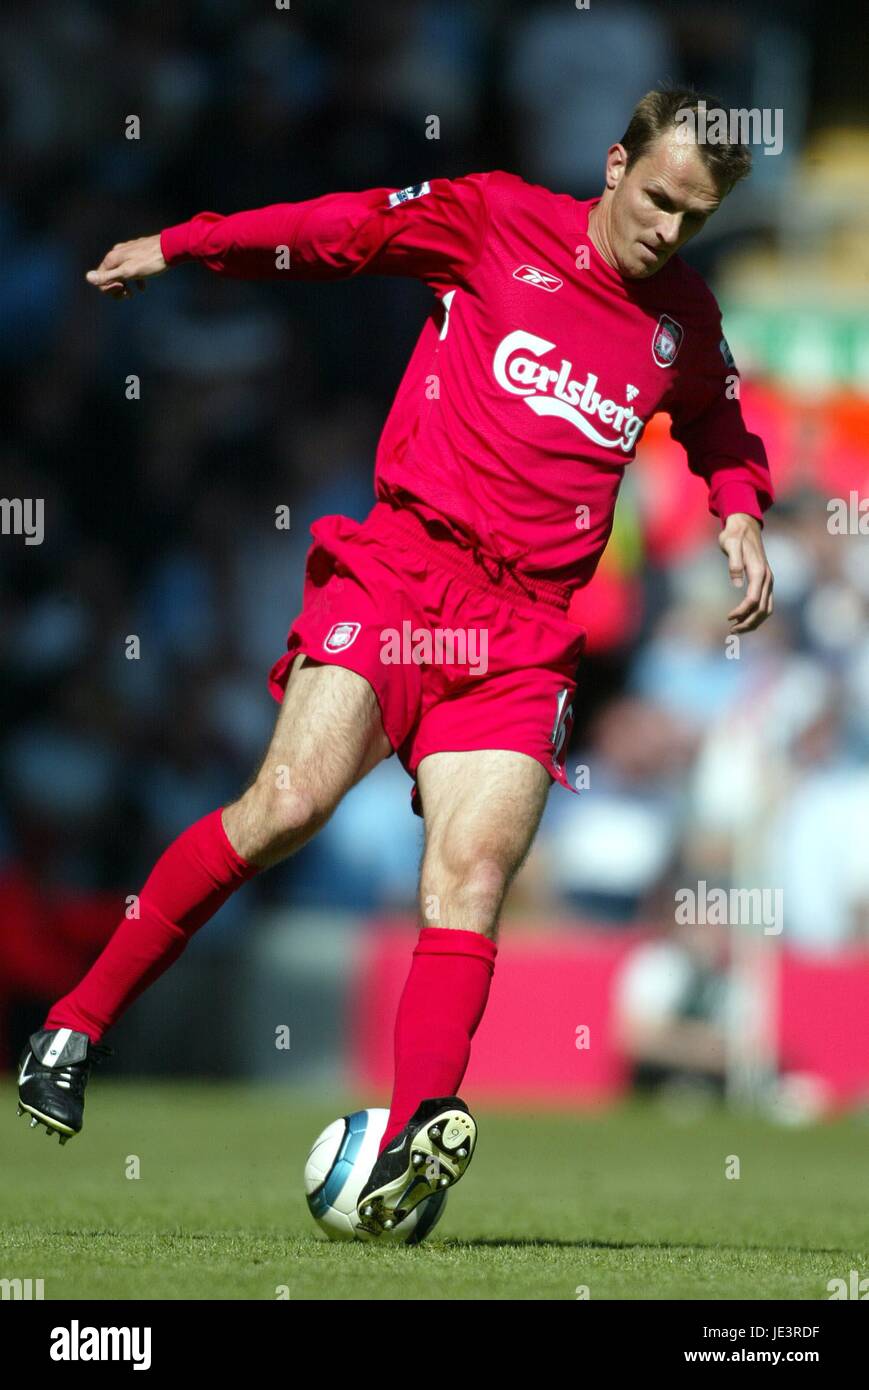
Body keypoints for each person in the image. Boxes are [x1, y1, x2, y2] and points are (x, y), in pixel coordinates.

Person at [17, 86, 774, 1237]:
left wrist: (737, 506)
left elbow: (718, 420)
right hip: (404, 575)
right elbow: (339, 230)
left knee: (471, 879)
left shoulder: (682, 320)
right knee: (283, 806)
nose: (667, 230)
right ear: (615, 163)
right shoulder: (492, 219)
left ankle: (414, 1139)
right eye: (659, 198)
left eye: (694, 217)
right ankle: (72, 1025)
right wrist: (186, 243)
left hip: (525, 634)